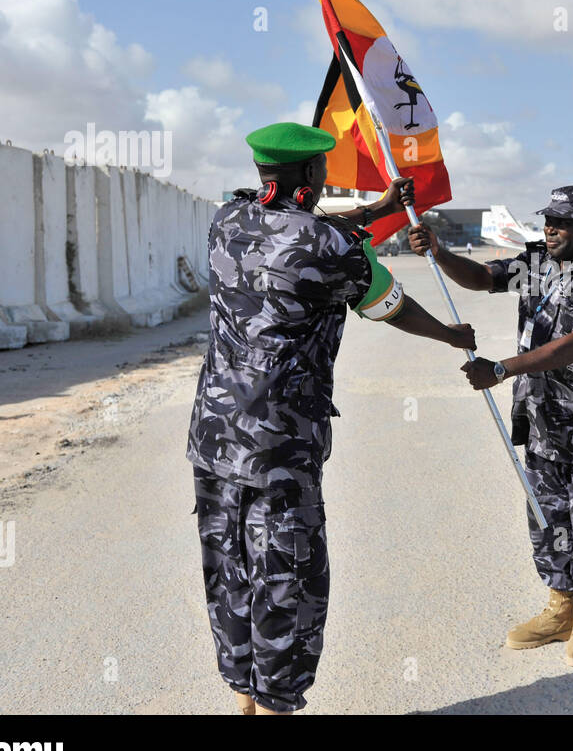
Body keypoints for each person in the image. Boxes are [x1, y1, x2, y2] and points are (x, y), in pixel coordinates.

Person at [187, 122, 474, 715]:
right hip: (279, 445)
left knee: (231, 565)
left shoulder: (227, 220)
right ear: (314, 173)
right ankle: (274, 703)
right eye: (322, 170)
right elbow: (389, 305)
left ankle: (244, 695)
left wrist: (376, 208)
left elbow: (298, 228)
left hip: (214, 436)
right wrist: (450, 335)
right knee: (287, 578)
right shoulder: (329, 247)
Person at [408, 185, 573, 667]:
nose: (551, 228)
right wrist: (438, 250)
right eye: (548, 219)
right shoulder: (535, 262)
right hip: (539, 416)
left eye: (564, 222)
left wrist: (502, 368)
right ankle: (559, 606)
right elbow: (482, 278)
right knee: (545, 513)